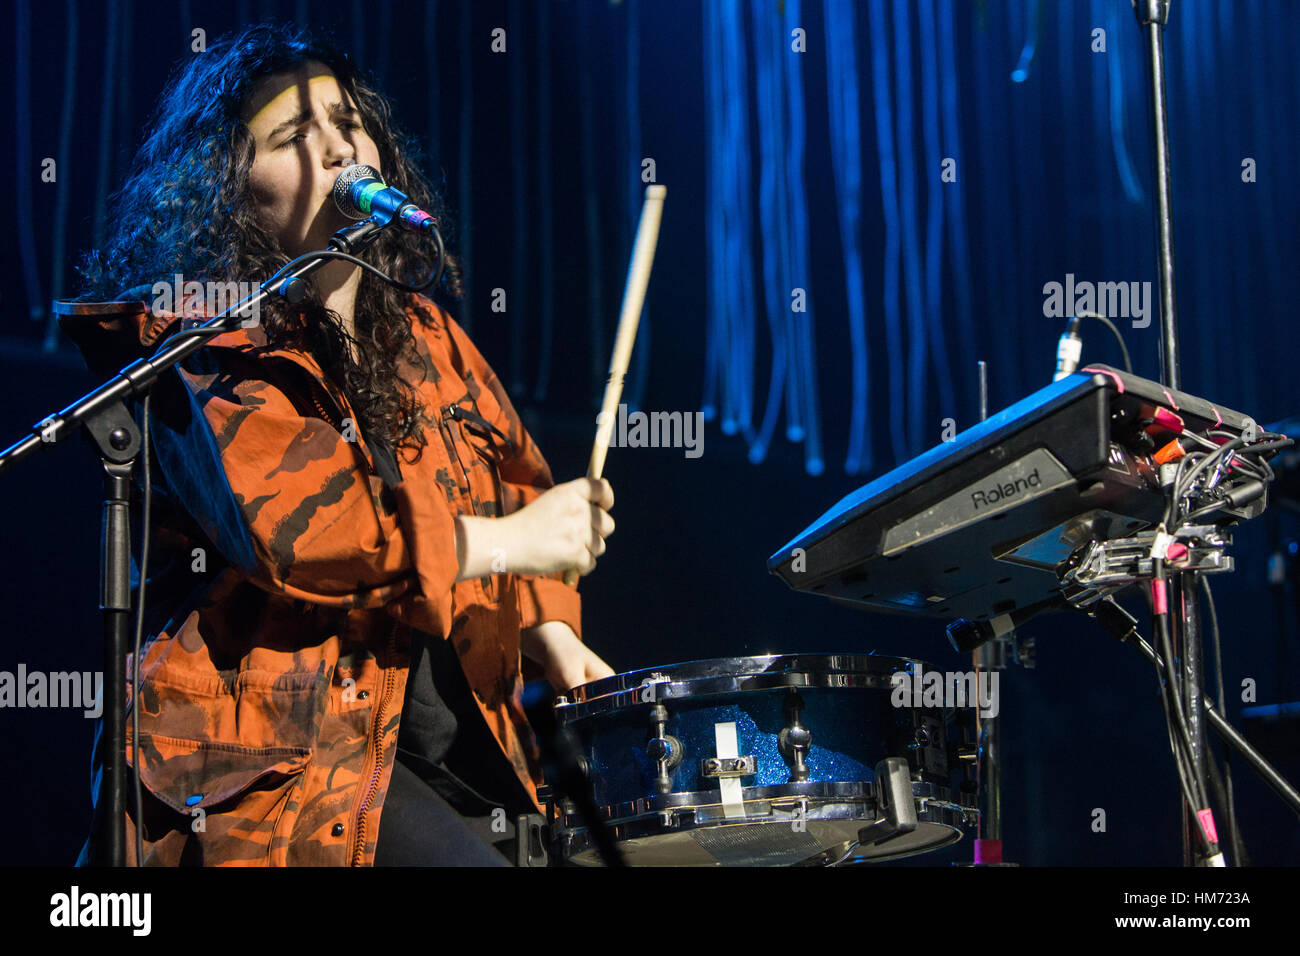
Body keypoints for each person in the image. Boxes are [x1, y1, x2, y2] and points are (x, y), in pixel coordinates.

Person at [71, 23, 616, 866]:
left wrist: (551, 632)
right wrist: (512, 539)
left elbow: (517, 493)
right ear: (228, 187)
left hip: (452, 755)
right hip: (291, 772)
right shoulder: (205, 348)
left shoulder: (429, 339)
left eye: (348, 123)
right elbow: (310, 534)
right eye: (293, 137)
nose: (336, 150)